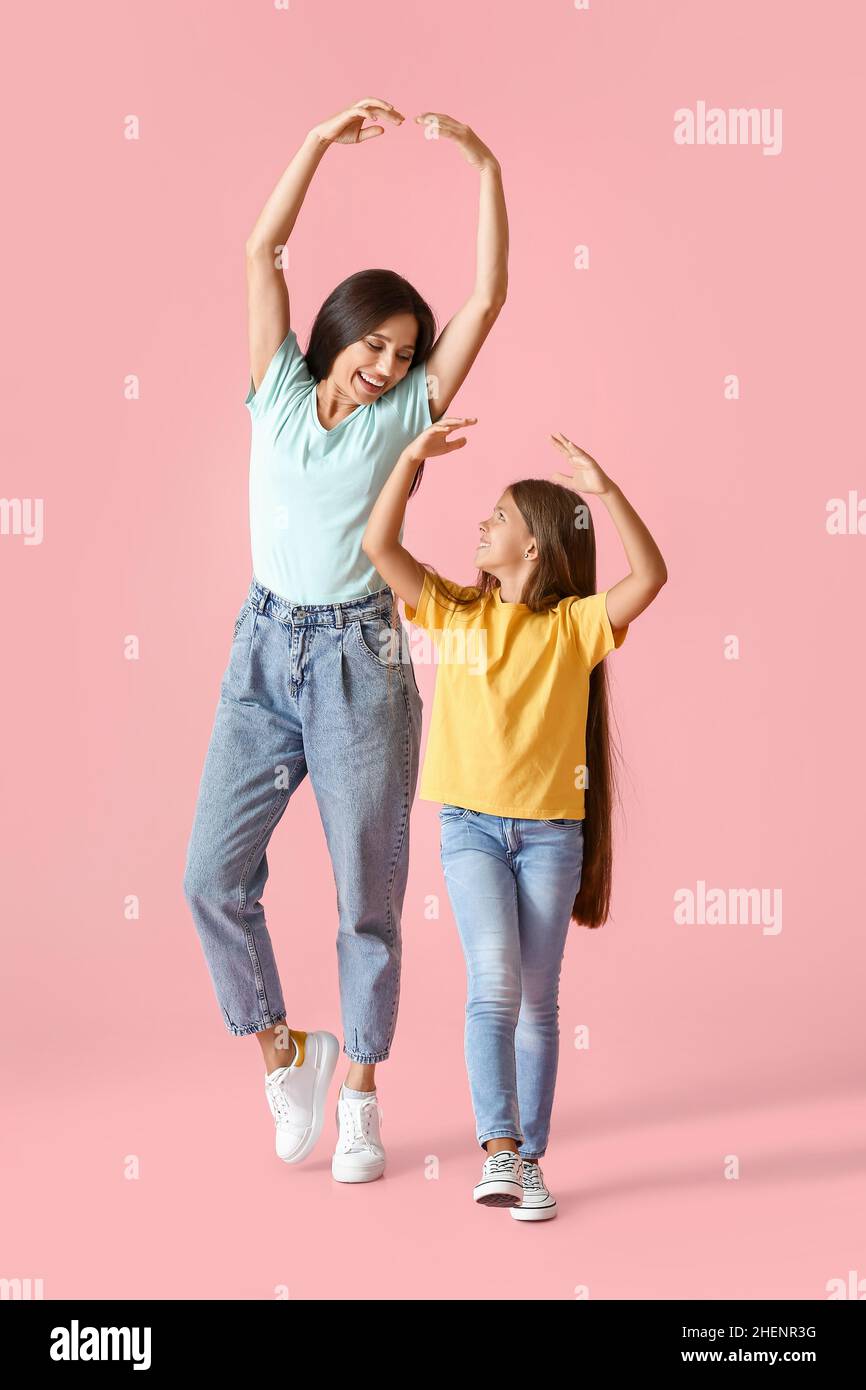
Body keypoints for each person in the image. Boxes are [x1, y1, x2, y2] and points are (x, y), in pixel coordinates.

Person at [183, 98, 509, 1182]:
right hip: (262, 648)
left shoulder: (402, 415)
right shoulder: (275, 389)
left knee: (365, 894)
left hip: (359, 659)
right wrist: (316, 142)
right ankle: (289, 1050)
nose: (385, 362)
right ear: (337, 330)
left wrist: (483, 166)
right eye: (374, 341)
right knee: (209, 879)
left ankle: (360, 1090)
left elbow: (487, 298)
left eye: (402, 352)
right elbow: (257, 248)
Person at [362, 418, 667, 1217]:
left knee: (539, 996)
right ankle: (498, 1148)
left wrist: (607, 494)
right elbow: (379, 546)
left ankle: (531, 1160)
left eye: (498, 517)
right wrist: (406, 461)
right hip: (469, 828)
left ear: (533, 548)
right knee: (492, 979)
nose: (482, 525)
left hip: (550, 835)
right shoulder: (456, 614)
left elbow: (652, 575)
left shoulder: (575, 627)